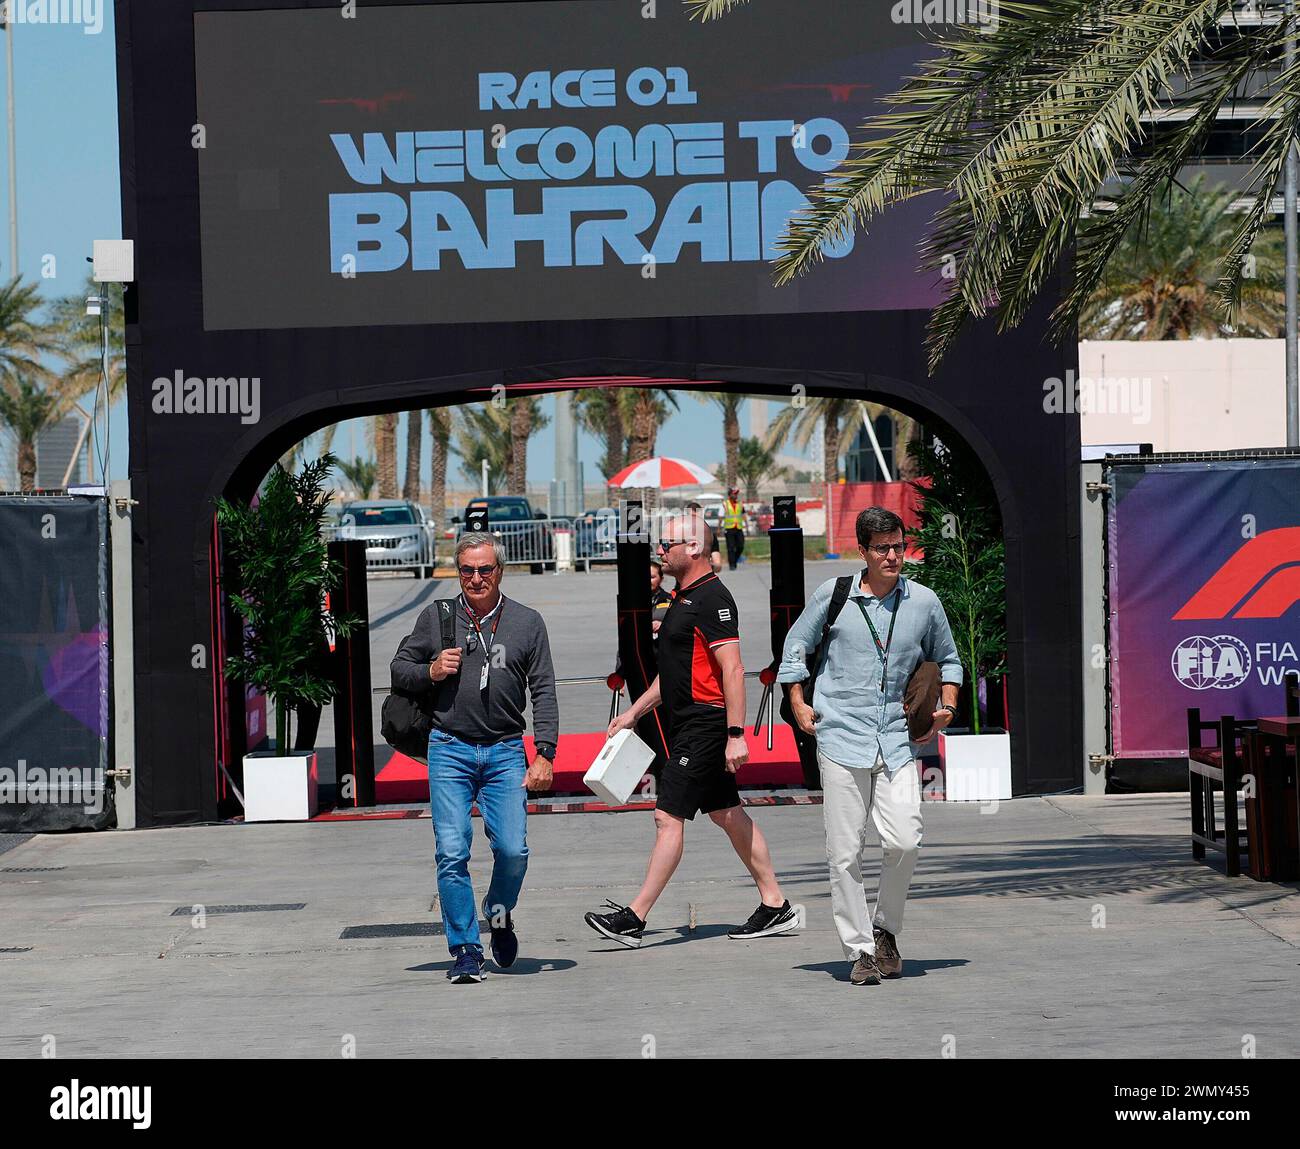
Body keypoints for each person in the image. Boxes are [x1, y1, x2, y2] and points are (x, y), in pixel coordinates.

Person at [584, 514, 798, 947]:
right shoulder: (682, 597)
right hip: (688, 722)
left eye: (668, 542)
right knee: (725, 812)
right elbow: (673, 675)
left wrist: (736, 734)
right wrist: (633, 713)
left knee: (667, 816)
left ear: (695, 547)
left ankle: (635, 916)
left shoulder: (714, 599)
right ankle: (775, 905)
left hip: (706, 723)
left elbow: (733, 669)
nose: (661, 549)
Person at [778, 507, 962, 987]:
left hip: (899, 738)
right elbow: (796, 646)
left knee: (905, 839)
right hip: (840, 733)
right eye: (882, 548)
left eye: (899, 546)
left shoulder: (923, 601)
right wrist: (798, 702)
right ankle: (859, 950)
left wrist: (947, 705)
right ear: (862, 551)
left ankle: (886, 930)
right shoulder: (834, 595)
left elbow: (949, 657)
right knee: (845, 851)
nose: (893, 555)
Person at [390, 532, 558, 984]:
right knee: (451, 852)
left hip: (505, 750)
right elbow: (398, 668)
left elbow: (543, 689)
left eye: (485, 569)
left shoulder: (526, 622)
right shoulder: (437, 618)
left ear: (499, 571)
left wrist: (545, 753)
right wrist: (429, 670)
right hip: (449, 748)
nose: (476, 578)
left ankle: (499, 913)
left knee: (513, 850)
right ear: (458, 572)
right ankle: (465, 949)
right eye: (467, 570)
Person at [684, 499, 722, 573]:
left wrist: (707, 565)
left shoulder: (710, 536)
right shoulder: (680, 536)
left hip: (704, 578)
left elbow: (718, 566)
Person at [722, 487, 745, 571]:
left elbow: (743, 514)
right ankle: (732, 564)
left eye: (736, 494)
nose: (736, 495)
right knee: (730, 547)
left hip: (738, 528)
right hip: (729, 528)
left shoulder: (740, 503)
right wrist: (719, 528)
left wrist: (746, 525)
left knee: (740, 546)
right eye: (734, 493)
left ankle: (734, 560)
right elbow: (721, 516)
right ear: (730, 494)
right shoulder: (725, 504)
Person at [649, 557, 673, 637]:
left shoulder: (670, 600)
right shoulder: (632, 602)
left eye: (652, 577)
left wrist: (663, 625)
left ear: (661, 579)